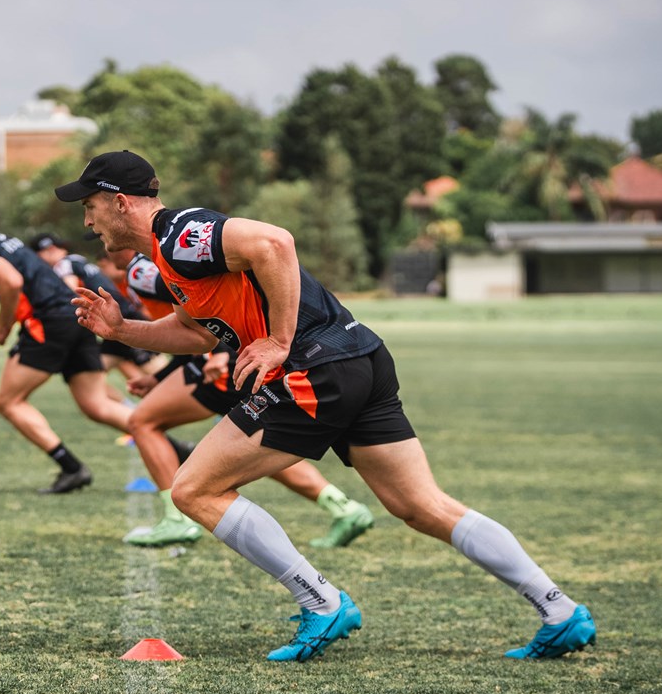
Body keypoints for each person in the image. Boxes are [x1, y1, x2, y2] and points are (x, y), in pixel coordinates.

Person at [59, 150, 596, 662]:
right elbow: (197, 334)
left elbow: (276, 243)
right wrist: (123, 329)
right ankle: (560, 611)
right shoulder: (170, 256)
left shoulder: (178, 236)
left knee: (194, 489)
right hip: (359, 356)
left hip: (317, 367)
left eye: (90, 206)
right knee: (421, 506)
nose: (88, 221)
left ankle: (322, 602)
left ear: (120, 201)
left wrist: (279, 340)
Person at [119, 249, 374, 550]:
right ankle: (342, 506)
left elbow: (201, 322)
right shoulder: (180, 253)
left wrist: (217, 355)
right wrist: (159, 379)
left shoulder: (141, 272)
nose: (103, 252)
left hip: (223, 368)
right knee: (261, 447)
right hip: (245, 360)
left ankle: (177, 519)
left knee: (143, 421)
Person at [0, 227, 133, 493]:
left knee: (9, 402)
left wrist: (1, 328)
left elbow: (11, 281)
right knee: (96, 405)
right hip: (74, 316)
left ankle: (71, 468)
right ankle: (167, 445)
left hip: (48, 321)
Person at [30, 232, 165, 388]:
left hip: (123, 320)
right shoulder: (78, 260)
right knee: (86, 374)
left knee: (162, 375)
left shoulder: (63, 264)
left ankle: (179, 400)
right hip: (117, 321)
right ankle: (128, 408)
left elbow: (71, 292)